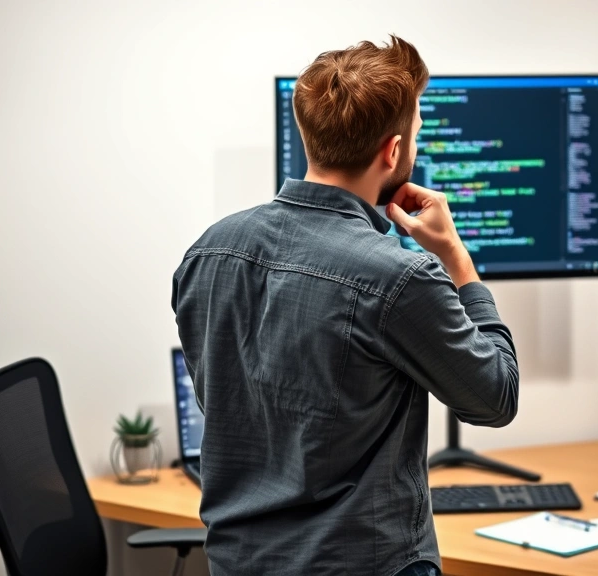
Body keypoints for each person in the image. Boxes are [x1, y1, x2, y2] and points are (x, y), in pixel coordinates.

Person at [172, 35, 519, 576]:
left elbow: (241, 406)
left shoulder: (206, 253)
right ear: (394, 151)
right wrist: (456, 258)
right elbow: (496, 397)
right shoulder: (400, 278)